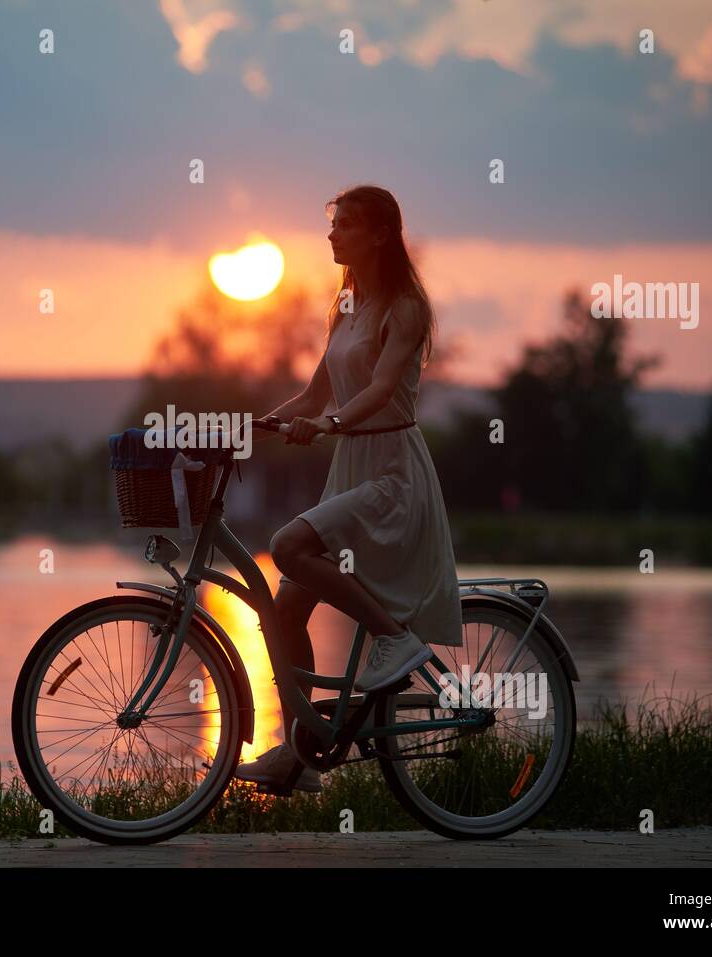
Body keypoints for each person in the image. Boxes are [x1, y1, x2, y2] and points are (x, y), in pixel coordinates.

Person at [234, 184, 464, 793]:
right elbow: (314, 396)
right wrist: (249, 428)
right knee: (286, 609)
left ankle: (394, 639)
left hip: (392, 473)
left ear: (382, 234)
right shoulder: (346, 303)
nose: (332, 234)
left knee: (286, 547)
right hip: (352, 466)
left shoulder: (405, 307)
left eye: (346, 225)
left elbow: (382, 390)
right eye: (333, 224)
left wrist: (329, 424)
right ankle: (300, 754)